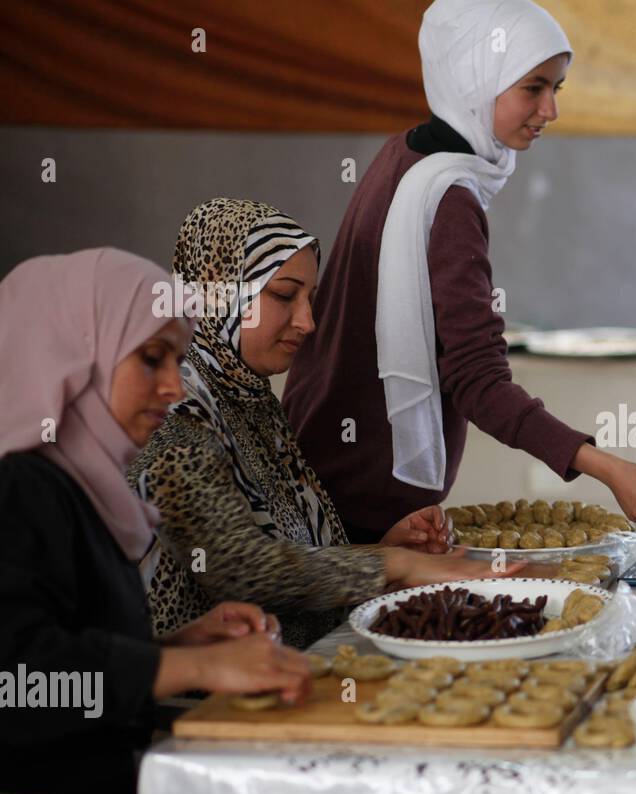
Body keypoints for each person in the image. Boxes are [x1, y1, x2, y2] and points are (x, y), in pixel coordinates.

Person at [282, 0, 636, 544]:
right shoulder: (446, 196)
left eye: (557, 89)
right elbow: (476, 379)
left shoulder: (403, 156)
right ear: (475, 78)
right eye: (533, 87)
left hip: (316, 462)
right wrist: (605, 467)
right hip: (357, 501)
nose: (550, 110)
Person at [0, 249, 313, 794]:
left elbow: (70, 644)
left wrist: (178, 647)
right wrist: (192, 674)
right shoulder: (20, 488)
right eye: (151, 358)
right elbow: (21, 680)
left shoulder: (81, 484)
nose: (173, 386)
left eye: (177, 358)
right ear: (74, 353)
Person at [129, 199, 520, 650]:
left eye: (310, 299)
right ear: (218, 290)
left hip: (289, 661)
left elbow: (289, 554)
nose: (307, 322)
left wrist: (381, 551)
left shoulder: (245, 393)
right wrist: (392, 565)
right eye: (283, 295)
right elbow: (238, 568)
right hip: (208, 695)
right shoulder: (174, 407)